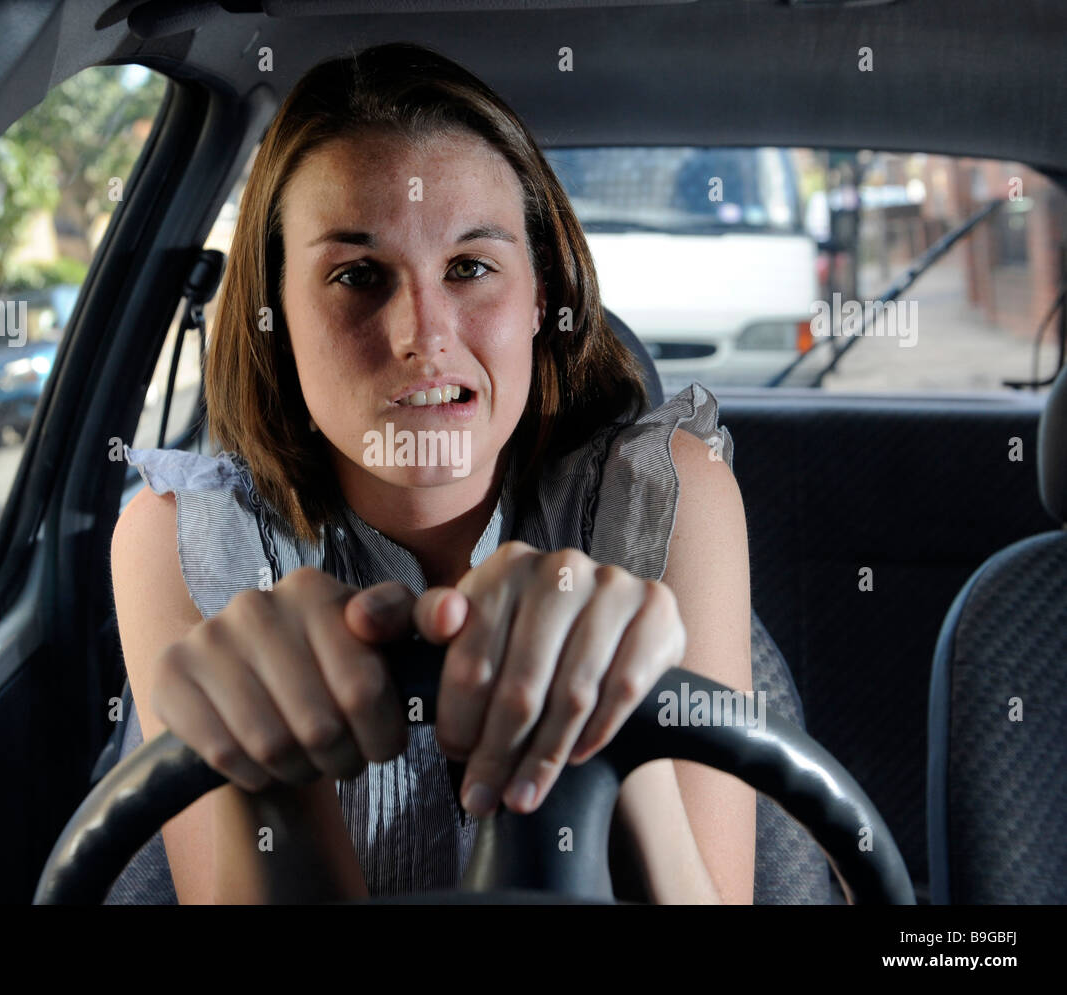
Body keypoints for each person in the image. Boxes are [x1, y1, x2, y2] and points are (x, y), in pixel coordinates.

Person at [109, 41, 754, 904]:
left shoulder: (667, 498)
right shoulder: (180, 541)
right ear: (277, 318)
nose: (422, 333)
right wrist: (278, 778)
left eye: (469, 267)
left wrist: (609, 725)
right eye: (358, 275)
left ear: (539, 296)